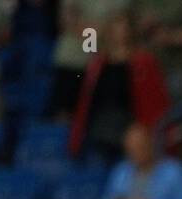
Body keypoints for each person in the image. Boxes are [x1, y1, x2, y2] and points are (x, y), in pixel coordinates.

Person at [69, 13, 170, 163]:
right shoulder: (97, 64)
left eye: (124, 27)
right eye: (116, 27)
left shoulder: (144, 62)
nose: (120, 32)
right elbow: (86, 103)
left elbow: (155, 102)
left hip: (132, 132)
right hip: (99, 130)